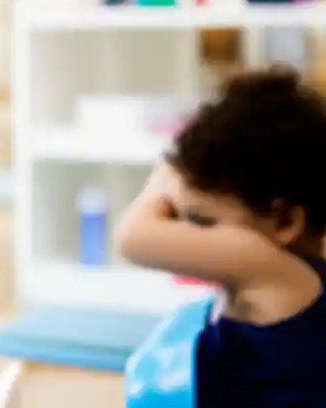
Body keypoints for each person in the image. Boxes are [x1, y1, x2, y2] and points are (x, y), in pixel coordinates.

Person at [116, 67, 326, 407]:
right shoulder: (281, 278)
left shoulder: (268, 270)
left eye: (202, 221)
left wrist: (168, 176)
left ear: (285, 221)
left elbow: (132, 237)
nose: (183, 234)